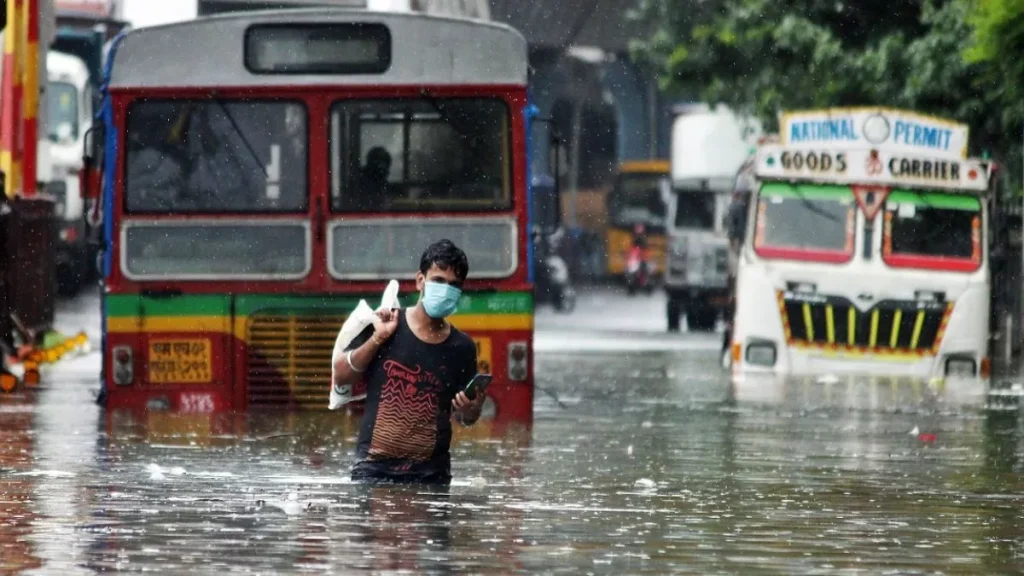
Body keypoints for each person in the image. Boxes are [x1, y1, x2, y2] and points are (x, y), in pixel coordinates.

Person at [334, 239, 483, 485]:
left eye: (454, 285)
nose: (446, 289)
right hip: (373, 472)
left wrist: (472, 410)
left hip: (432, 478)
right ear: (420, 281)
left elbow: (465, 417)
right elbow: (341, 375)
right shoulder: (386, 324)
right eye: (438, 281)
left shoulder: (463, 348)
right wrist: (377, 338)